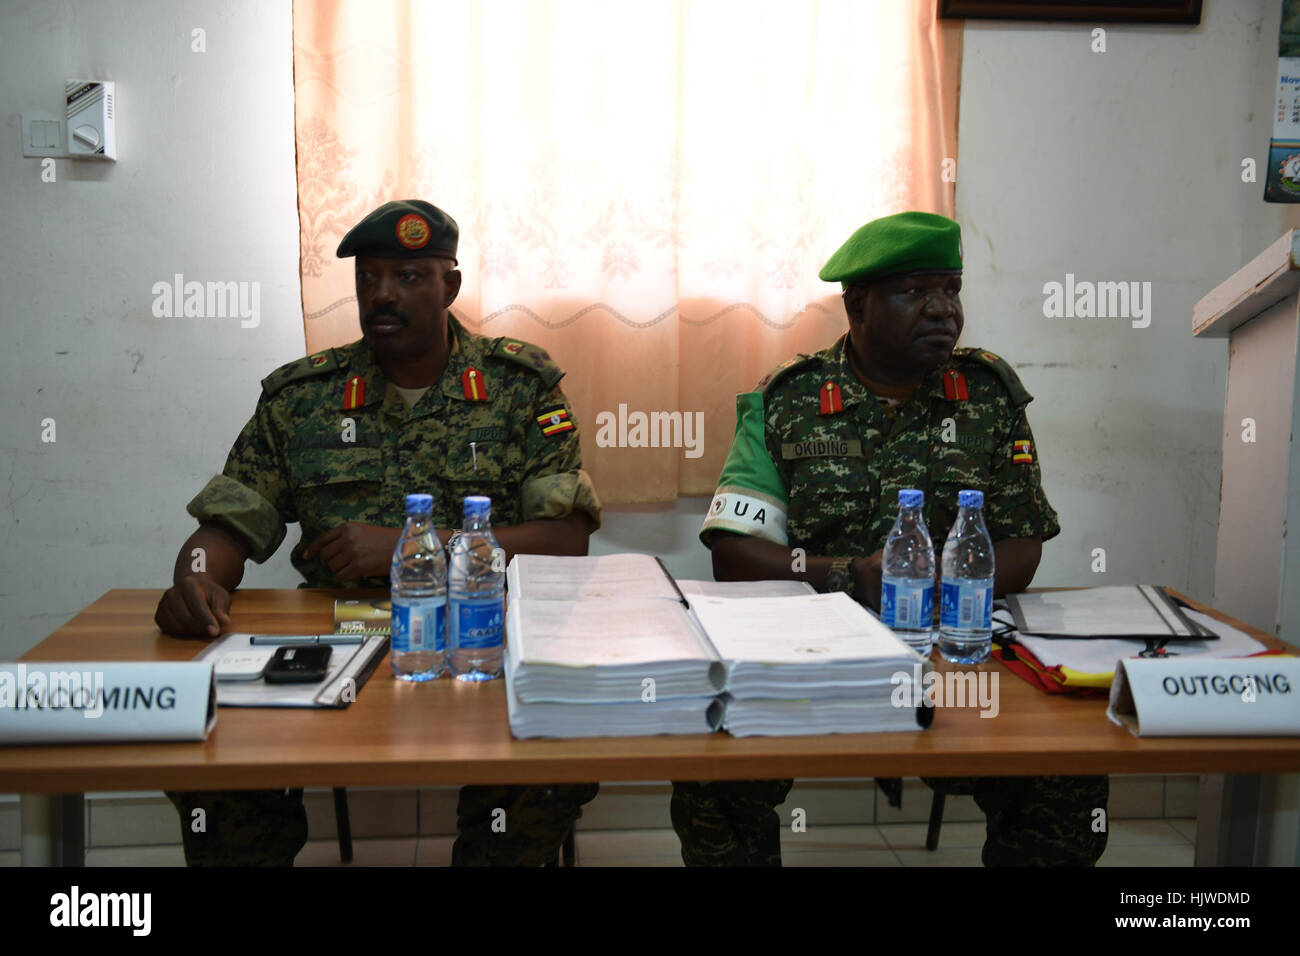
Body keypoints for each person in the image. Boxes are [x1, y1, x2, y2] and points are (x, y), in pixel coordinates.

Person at [155, 199, 602, 866]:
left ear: (449, 284)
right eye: (369, 278)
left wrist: (409, 545)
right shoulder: (302, 399)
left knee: (546, 766)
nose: (383, 295)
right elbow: (224, 525)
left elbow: (565, 539)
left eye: (410, 276)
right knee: (213, 758)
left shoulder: (520, 389)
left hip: (480, 637)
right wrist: (194, 577)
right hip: (340, 642)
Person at [678, 211, 1108, 867]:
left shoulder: (988, 397)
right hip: (810, 646)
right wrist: (854, 575)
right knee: (710, 770)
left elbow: (1022, 544)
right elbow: (735, 553)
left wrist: (946, 595)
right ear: (857, 304)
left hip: (958, 648)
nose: (943, 311)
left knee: (1065, 770)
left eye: (951, 290)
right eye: (916, 293)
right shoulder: (788, 400)